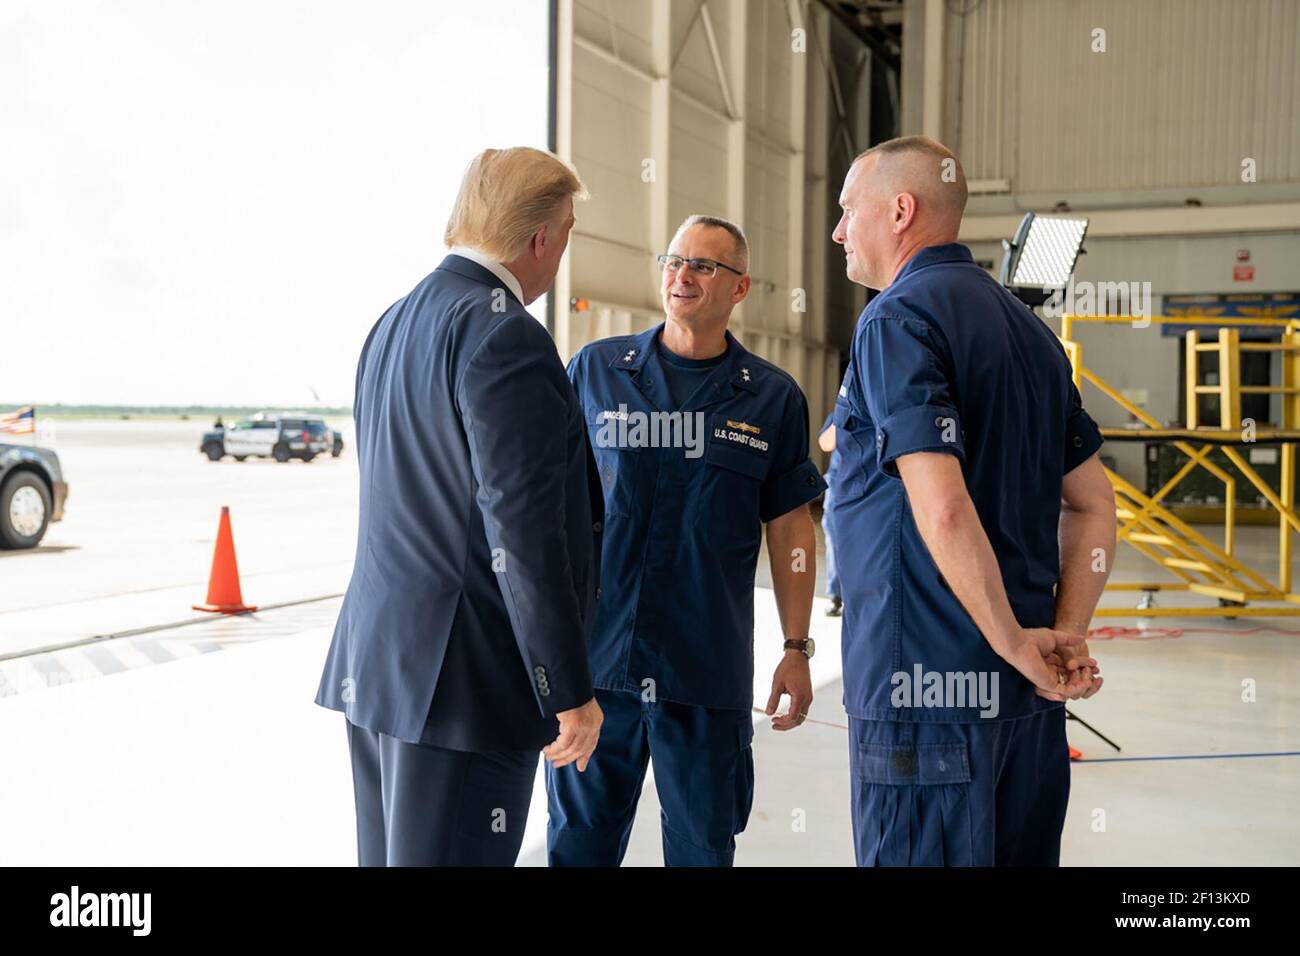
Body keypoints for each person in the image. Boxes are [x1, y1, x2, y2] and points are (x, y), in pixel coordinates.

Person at [828, 136, 1117, 866]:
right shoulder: (1033, 334)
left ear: (899, 210)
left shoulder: (895, 321)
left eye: (846, 210)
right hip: (1023, 695)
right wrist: (1060, 638)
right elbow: (1092, 507)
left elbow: (944, 508)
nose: (838, 232)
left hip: (922, 692)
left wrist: (1014, 642)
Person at [314, 147, 604, 866]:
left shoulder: (392, 324)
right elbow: (525, 534)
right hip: (465, 689)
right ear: (541, 238)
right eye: (567, 234)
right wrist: (566, 688)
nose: (561, 253)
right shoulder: (506, 335)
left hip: (381, 667)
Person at [547, 215, 826, 866]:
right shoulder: (596, 373)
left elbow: (791, 530)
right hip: (597, 672)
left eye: (704, 265)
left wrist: (795, 647)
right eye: (674, 260)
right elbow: (547, 509)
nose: (682, 275)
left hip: (705, 675)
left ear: (740, 288)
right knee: (577, 848)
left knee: (703, 849)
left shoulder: (771, 399)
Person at [817, 414, 842, 616]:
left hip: (869, 489)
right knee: (834, 540)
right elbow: (825, 443)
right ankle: (836, 595)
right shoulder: (840, 411)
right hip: (839, 484)